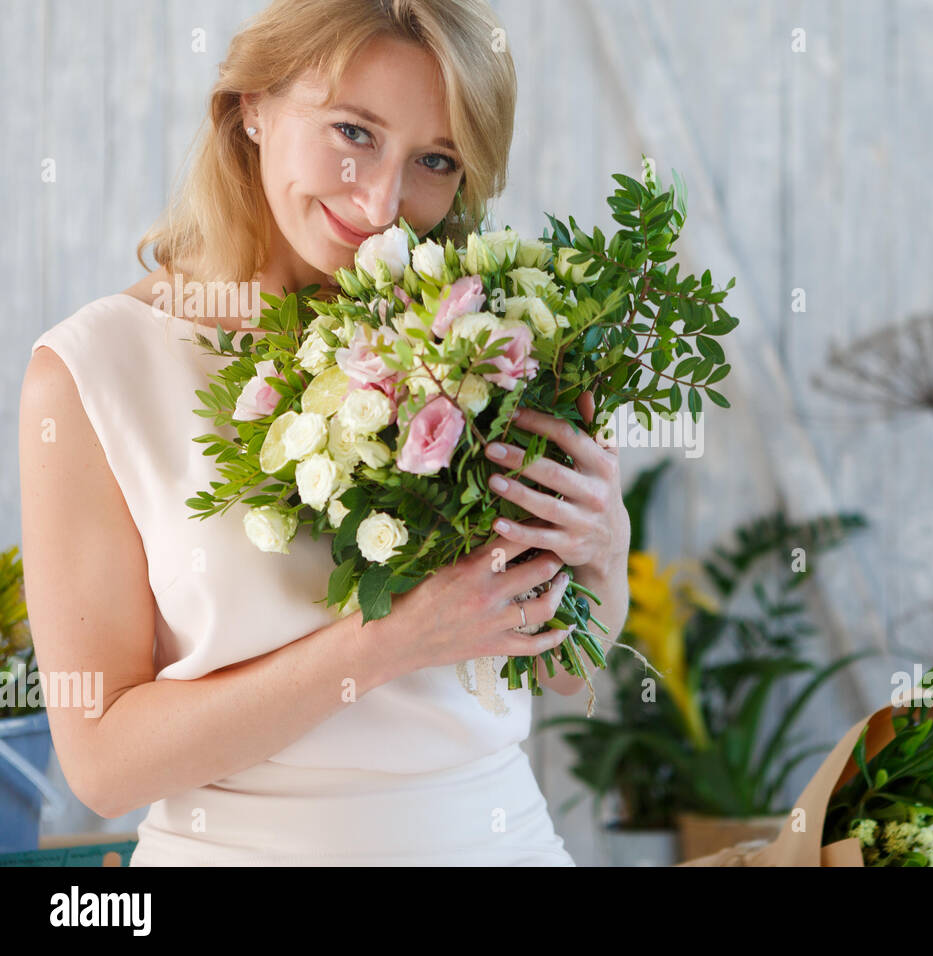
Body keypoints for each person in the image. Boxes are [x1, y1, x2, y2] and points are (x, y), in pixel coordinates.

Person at [17, 0, 630, 866]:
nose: (383, 200)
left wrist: (604, 548)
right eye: (353, 131)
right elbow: (103, 766)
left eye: (435, 159)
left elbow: (570, 669)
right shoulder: (94, 373)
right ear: (252, 105)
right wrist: (390, 641)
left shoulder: (493, 342)